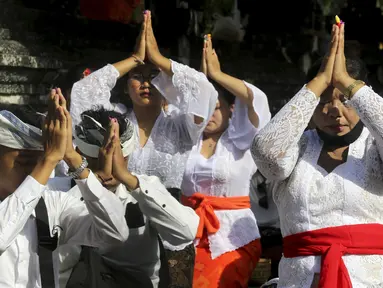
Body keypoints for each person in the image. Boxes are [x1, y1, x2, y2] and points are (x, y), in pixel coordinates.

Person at [69, 11, 217, 286]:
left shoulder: (181, 127)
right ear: (126, 87)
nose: (147, 82)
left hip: (168, 226)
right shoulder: (116, 121)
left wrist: (159, 59)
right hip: (120, 227)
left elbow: (205, 93)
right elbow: (82, 94)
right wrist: (134, 59)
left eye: (154, 76)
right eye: (137, 76)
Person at [251, 23, 383, 287]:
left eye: (344, 100)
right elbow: (265, 151)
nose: (334, 110)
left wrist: (347, 83)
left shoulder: (373, 148)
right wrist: (320, 80)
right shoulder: (296, 148)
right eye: (323, 101)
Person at [0, 90, 129, 288]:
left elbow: (115, 233)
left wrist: (73, 158)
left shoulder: (51, 203)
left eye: (38, 162)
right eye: (24, 162)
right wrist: (48, 160)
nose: (35, 172)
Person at [68, 106, 199, 287]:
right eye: (100, 161)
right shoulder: (62, 193)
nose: (109, 168)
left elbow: (185, 232)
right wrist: (90, 184)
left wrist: (130, 181)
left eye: (116, 160)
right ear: (81, 156)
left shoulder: (144, 187)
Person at [180, 35, 271, 287]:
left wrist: (217, 75)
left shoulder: (243, 141)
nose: (209, 114)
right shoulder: (187, 140)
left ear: (231, 109)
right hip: (185, 233)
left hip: (234, 237)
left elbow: (258, 100)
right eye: (204, 107)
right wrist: (202, 80)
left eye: (216, 107)